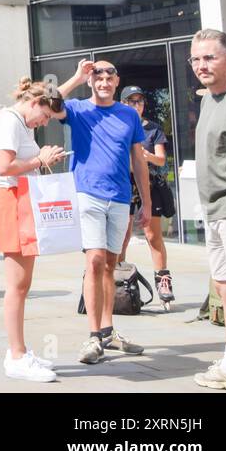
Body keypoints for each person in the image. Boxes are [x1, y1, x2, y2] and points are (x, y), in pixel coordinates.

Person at [56, 59, 151, 364]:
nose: (104, 79)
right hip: (88, 194)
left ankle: (108, 331)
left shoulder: (128, 115)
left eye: (110, 75)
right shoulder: (78, 109)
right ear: (91, 80)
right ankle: (93, 336)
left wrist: (146, 203)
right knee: (94, 261)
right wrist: (75, 76)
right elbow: (47, 101)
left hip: (120, 198)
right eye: (98, 75)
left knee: (111, 264)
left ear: (117, 81)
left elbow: (138, 161)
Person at [187, 29, 226, 391]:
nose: (201, 65)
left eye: (209, 57)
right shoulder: (210, 100)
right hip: (216, 212)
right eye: (196, 59)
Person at [0, 78, 66, 382]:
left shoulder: (19, 120)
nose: (44, 122)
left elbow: (55, 95)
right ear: (35, 103)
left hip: (17, 199)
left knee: (21, 285)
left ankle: (17, 351)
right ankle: (17, 355)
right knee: (17, 286)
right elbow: (3, 166)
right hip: (11, 200)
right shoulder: (11, 123)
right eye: (45, 116)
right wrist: (39, 159)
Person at [116, 85, 174, 307]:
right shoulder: (119, 126)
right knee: (123, 235)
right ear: (123, 104)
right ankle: (119, 282)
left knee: (152, 235)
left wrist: (146, 155)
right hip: (126, 185)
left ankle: (163, 282)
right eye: (132, 101)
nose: (136, 105)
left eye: (139, 101)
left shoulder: (153, 129)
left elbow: (161, 159)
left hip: (150, 185)